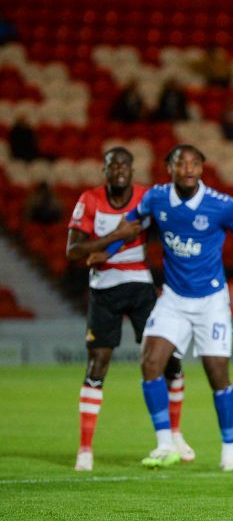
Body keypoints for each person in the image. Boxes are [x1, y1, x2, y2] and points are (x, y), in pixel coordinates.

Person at [101, 144, 233, 470]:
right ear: (170, 168)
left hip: (211, 303)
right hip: (174, 299)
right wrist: (107, 251)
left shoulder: (222, 205)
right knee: (150, 363)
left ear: (202, 168)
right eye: (181, 163)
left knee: (217, 374)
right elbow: (129, 225)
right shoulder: (156, 199)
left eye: (194, 163)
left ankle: (229, 449)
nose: (188, 168)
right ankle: (165, 443)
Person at [65, 148, 195, 471]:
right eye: (113, 164)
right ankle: (85, 449)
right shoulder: (90, 200)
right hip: (104, 290)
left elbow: (165, 230)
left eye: (125, 164)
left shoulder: (145, 197)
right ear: (104, 170)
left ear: (133, 169)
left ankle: (174, 435)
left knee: (170, 361)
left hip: (140, 287)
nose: (120, 169)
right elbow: (73, 250)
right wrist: (114, 238)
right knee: (98, 365)